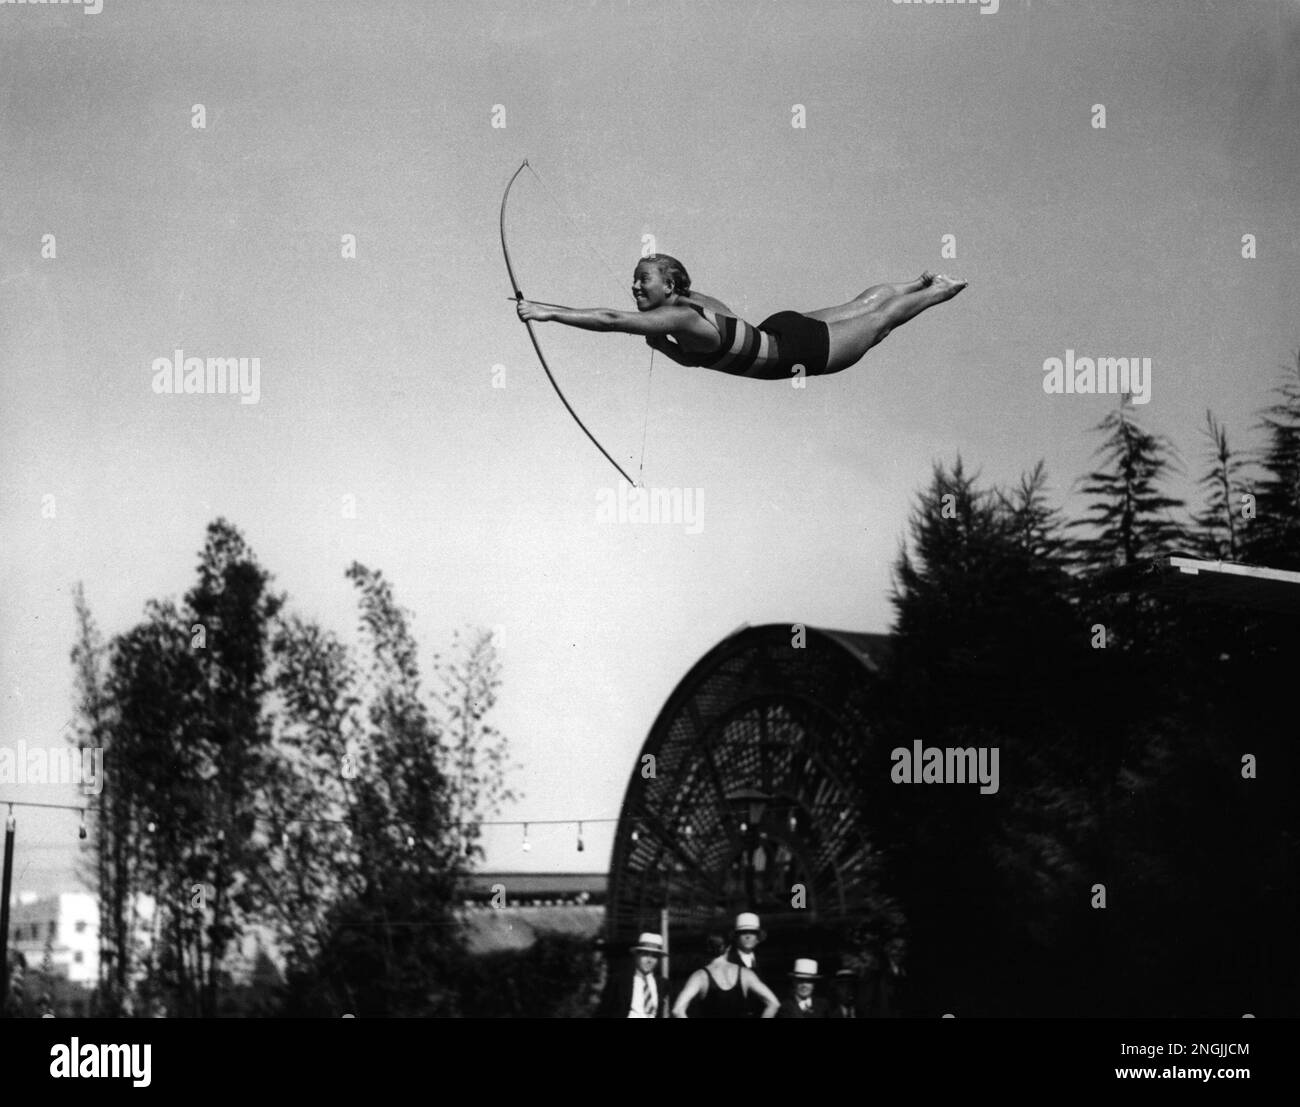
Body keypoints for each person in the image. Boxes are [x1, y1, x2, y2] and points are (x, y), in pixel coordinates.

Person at [516, 254, 965, 381]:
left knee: (881, 324)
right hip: (781, 327)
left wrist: (546, 312)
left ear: (669, 288)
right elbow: (697, 361)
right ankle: (915, 281)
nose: (635, 287)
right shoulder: (693, 305)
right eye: (635, 280)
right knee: (864, 305)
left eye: (644, 281)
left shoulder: (677, 319)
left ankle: (937, 292)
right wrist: (665, 350)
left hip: (798, 350)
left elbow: (612, 319)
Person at [672, 935, 780, 1019]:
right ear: (728, 948)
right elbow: (774, 1003)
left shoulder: (700, 976)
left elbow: (677, 1010)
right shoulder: (745, 974)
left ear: (707, 949)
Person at [595, 932, 668, 1018]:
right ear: (636, 955)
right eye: (645, 955)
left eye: (654, 956)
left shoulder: (662, 984)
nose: (649, 960)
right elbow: (603, 1011)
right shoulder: (620, 981)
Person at [726, 911, 765, 977]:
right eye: (743, 932)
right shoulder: (728, 961)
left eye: (752, 932)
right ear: (736, 937)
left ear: (758, 938)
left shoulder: (764, 960)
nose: (748, 936)